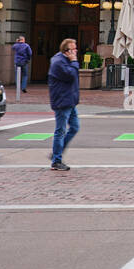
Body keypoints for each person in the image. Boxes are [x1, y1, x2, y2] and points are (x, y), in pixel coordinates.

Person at [48, 38, 80, 172]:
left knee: (74, 127)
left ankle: (57, 152)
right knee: (60, 131)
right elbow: (71, 75)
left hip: (69, 101)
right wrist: (74, 61)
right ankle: (56, 160)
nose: (76, 51)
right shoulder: (58, 62)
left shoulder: (65, 61)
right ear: (66, 51)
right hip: (62, 101)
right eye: (73, 49)